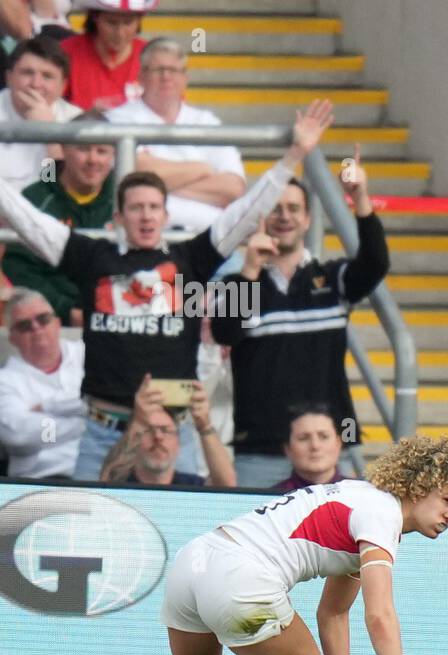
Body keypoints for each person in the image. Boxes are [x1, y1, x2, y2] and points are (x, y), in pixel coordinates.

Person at [0, 98, 336, 483]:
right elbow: (29, 222)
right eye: (136, 207)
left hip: (174, 432)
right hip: (102, 432)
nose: (145, 215)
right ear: (118, 218)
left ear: (166, 215)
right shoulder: (90, 257)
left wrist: (294, 155)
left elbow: (244, 213)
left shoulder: (191, 257)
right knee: (88, 537)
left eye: (153, 207)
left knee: (182, 534)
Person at [21, 435, 448, 655]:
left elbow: (334, 613)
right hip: (241, 580)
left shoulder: (359, 500)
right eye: (447, 502)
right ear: (418, 487)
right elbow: (379, 615)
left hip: (194, 564)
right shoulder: (381, 516)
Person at [217, 148, 388, 490]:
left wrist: (359, 197)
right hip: (261, 450)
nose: (284, 217)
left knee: (334, 543)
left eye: (294, 208)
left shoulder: (332, 278)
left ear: (308, 219)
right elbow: (225, 331)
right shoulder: (239, 284)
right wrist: (250, 269)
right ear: (259, 220)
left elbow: (375, 264)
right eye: (275, 209)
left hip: (328, 447)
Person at [106, 37, 246, 231]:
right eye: (158, 70)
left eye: (173, 70)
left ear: (185, 78)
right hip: (146, 238)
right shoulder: (119, 118)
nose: (166, 76)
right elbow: (133, 174)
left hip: (210, 239)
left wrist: (156, 185)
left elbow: (233, 188)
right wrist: (203, 169)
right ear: (141, 76)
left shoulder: (206, 122)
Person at [1, 109, 114, 326]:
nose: (93, 159)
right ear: (63, 148)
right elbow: (20, 269)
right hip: (47, 322)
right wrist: (67, 311)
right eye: (83, 149)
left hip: (111, 320)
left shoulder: (125, 197)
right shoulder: (35, 197)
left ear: (113, 155)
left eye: (102, 151)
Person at [0, 287, 83, 478]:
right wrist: (85, 424)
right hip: (43, 480)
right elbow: (18, 435)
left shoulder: (89, 355)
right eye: (24, 326)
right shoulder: (5, 380)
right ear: (13, 338)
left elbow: (109, 401)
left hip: (103, 471)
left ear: (57, 323)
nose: (36, 328)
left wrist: (47, 408)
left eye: (43, 319)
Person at [99, 372, 235, 487]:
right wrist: (139, 421)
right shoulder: (121, 485)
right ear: (136, 440)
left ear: (178, 442)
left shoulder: (191, 487)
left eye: (165, 430)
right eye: (149, 430)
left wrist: (205, 426)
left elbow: (227, 488)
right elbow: (108, 477)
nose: (158, 437)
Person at [0, 35, 80, 191]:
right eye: (27, 73)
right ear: (9, 77)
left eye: (47, 76)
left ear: (63, 85)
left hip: (48, 210)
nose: (36, 84)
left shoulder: (76, 120)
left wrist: (49, 135)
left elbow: (55, 187)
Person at [60, 0, 151, 111]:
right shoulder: (67, 51)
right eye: (111, 23)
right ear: (95, 18)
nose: (120, 33)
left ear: (139, 21)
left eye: (128, 23)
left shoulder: (153, 56)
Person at [274, 403, 346, 492]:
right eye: (303, 438)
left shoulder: (363, 494)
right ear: (287, 449)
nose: (315, 446)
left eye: (324, 436)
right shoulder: (272, 500)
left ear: (338, 444)